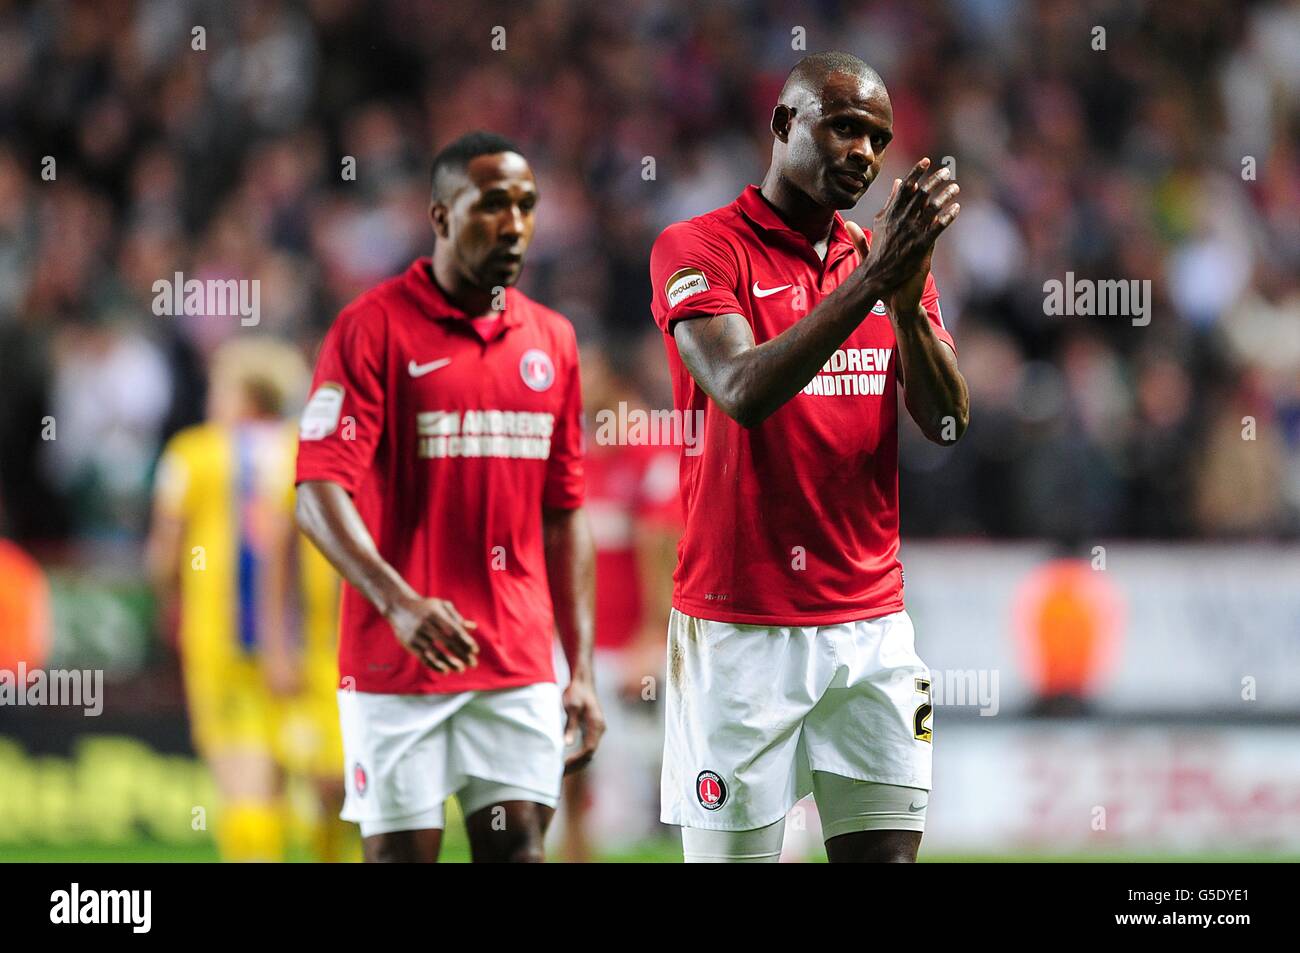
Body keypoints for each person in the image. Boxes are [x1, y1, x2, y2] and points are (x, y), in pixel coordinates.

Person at [649, 51, 968, 863]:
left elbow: (948, 421)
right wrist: (871, 284)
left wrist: (904, 300)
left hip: (871, 626)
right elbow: (740, 387)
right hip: (739, 626)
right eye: (845, 126)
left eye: (878, 138)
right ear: (784, 124)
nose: (863, 151)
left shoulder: (890, 262)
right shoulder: (700, 247)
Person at [295, 131, 603, 863]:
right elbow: (315, 490)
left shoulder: (553, 341)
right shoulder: (370, 328)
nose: (515, 223)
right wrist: (398, 600)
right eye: (492, 204)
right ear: (439, 216)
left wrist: (581, 666)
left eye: (527, 205)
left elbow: (565, 514)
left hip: (518, 660)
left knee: (519, 850)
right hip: (397, 665)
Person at [147, 337, 354, 862]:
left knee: (246, 781)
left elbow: (163, 558)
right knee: (332, 777)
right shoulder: (309, 448)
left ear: (243, 394)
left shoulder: (192, 452)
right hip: (314, 640)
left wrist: (172, 603)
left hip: (223, 639)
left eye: (218, 387)